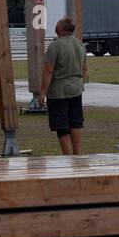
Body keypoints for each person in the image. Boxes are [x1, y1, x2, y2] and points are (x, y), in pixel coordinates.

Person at [37, 16, 88, 155]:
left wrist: (42, 93)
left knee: (62, 125)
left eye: (57, 24)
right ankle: (77, 155)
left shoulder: (55, 46)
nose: (55, 26)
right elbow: (84, 68)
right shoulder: (79, 44)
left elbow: (48, 71)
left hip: (58, 92)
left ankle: (67, 155)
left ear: (61, 28)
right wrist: (81, 84)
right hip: (76, 90)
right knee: (76, 122)